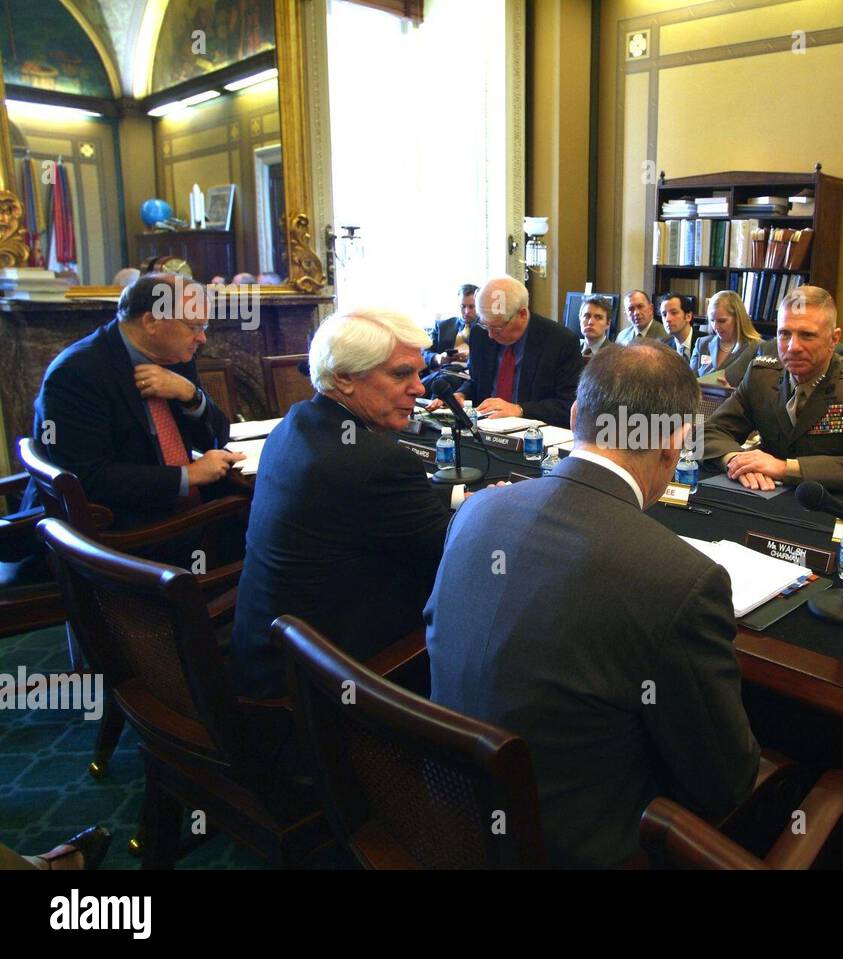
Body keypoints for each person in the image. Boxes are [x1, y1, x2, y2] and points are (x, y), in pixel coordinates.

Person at [425, 342, 760, 867]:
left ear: (578, 416)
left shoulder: (476, 512)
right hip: (576, 850)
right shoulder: (682, 579)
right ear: (673, 446)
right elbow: (725, 782)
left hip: (444, 815)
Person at [231, 309, 456, 699]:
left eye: (418, 373)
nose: (420, 389)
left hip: (262, 650)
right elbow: (451, 555)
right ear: (344, 378)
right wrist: (490, 511)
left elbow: (360, 501)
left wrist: (455, 497)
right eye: (401, 374)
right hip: (320, 682)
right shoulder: (377, 463)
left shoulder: (296, 422)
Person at [21, 273, 240, 530]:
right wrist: (187, 475)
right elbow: (88, 478)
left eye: (204, 327)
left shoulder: (176, 355)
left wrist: (191, 395)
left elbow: (217, 437)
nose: (202, 338)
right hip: (118, 529)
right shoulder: (77, 372)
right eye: (194, 327)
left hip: (171, 507)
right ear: (151, 321)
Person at [703, 285, 843, 492]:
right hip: (765, 497)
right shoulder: (761, 376)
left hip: (829, 506)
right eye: (784, 334)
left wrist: (784, 468)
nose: (793, 347)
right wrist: (737, 460)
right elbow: (708, 433)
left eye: (807, 335)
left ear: (834, 339)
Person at [440, 275, 583, 427]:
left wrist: (519, 409)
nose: (490, 334)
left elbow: (570, 404)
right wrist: (461, 394)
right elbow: (477, 381)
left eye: (498, 327)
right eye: (485, 325)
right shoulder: (479, 334)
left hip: (534, 433)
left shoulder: (560, 341)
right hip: (485, 428)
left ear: (522, 314)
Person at [690, 290, 761, 379]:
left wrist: (730, 391)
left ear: (737, 319)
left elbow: (759, 389)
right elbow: (690, 383)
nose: (715, 327)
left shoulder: (757, 348)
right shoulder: (702, 344)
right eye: (712, 320)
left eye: (722, 321)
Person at [424, 283, 478, 369]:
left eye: (471, 307)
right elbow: (424, 352)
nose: (467, 311)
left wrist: (473, 358)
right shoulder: (442, 326)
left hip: (472, 376)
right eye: (463, 306)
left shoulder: (489, 330)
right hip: (443, 372)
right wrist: (437, 358)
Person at [659, 292, 695, 362]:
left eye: (674, 313)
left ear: (688, 316)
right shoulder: (664, 348)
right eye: (664, 314)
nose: (667, 319)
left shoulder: (706, 342)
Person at [578, 294, 613, 358]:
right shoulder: (571, 350)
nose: (590, 322)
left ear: (608, 323)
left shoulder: (615, 355)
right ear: (580, 319)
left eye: (598, 317)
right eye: (587, 316)